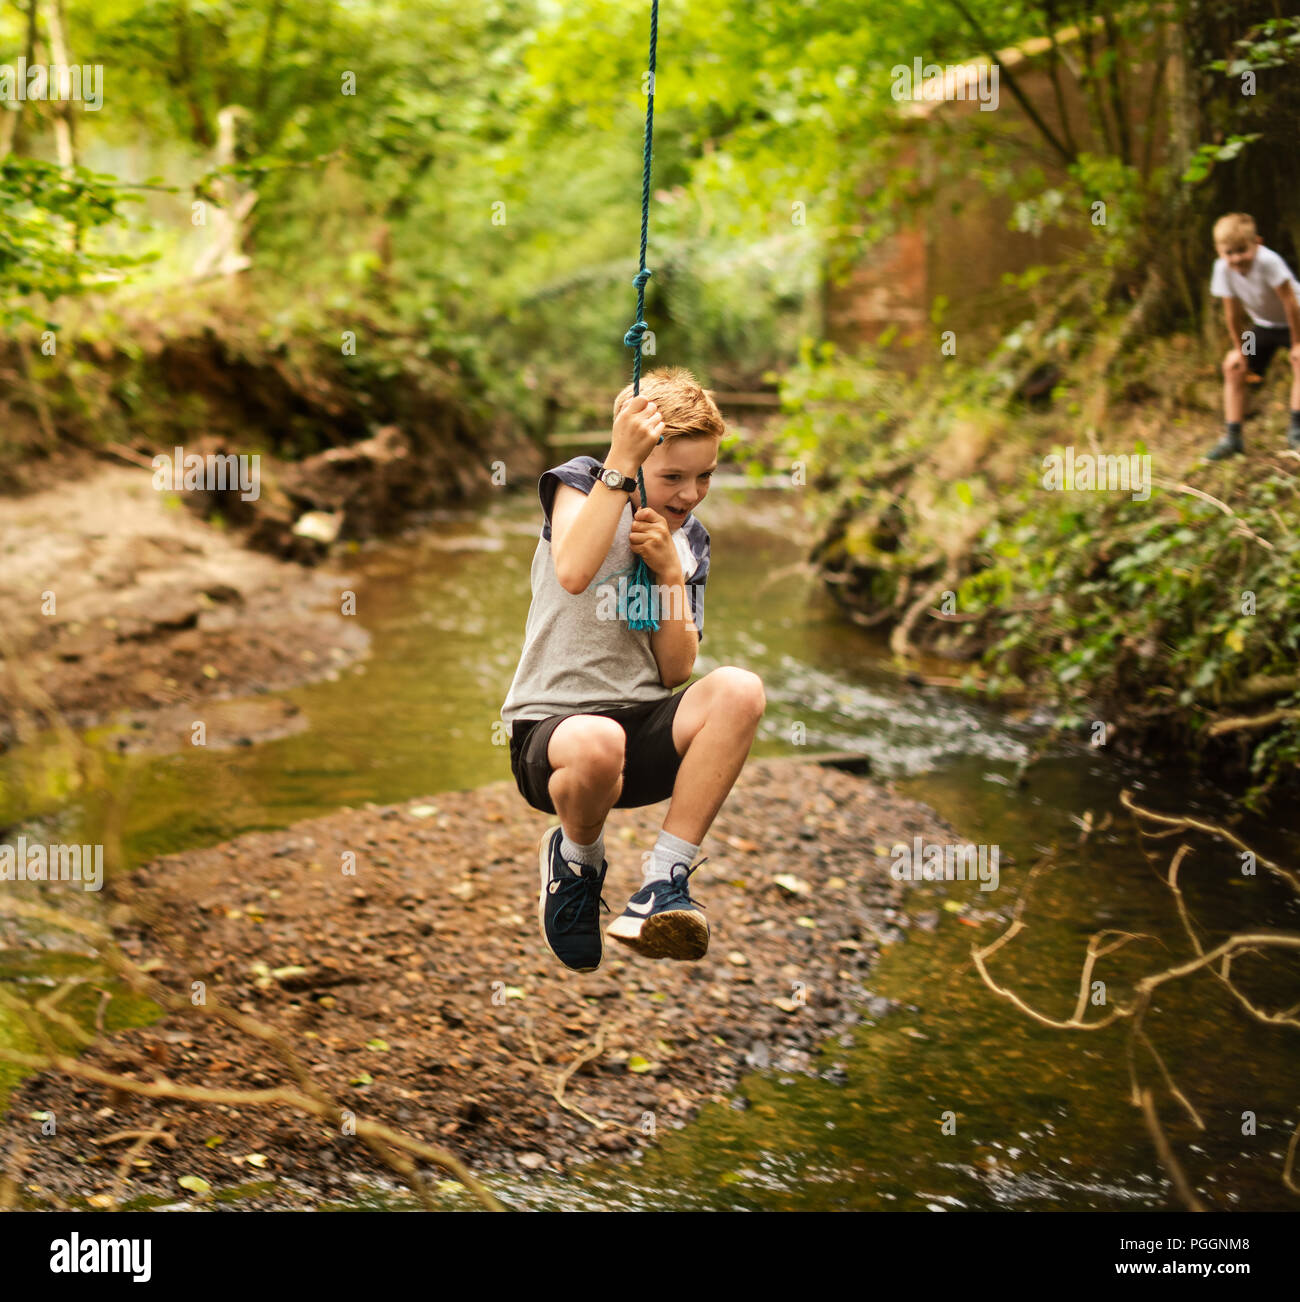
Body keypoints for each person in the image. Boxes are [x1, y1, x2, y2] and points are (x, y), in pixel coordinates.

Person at [500, 367, 766, 972]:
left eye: (705, 477)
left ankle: (663, 883)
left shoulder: (689, 538)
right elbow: (572, 571)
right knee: (598, 739)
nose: (691, 493)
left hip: (644, 736)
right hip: (557, 737)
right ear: (635, 455)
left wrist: (671, 575)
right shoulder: (581, 487)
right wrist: (618, 467)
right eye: (673, 476)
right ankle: (577, 861)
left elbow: (675, 670)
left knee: (740, 689)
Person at [1204, 212, 1300, 460]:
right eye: (1229, 253)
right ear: (1219, 251)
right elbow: (1232, 314)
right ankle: (1233, 436)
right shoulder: (1222, 269)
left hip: (1295, 321)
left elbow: (1290, 302)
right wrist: (1239, 349)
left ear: (1257, 243)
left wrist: (1298, 343)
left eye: (1241, 250)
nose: (1236, 259)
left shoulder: (1269, 262)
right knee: (1233, 367)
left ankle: (1296, 431)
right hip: (1263, 326)